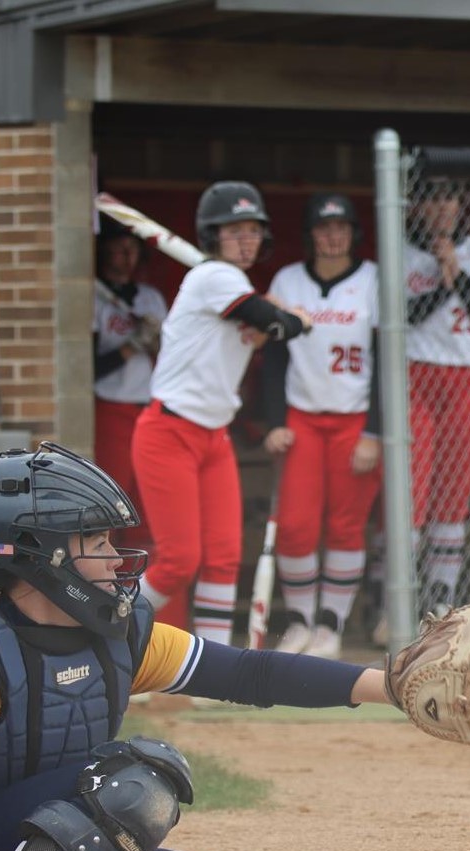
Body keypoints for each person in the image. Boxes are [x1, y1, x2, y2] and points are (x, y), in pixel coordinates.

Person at [0, 444, 439, 851]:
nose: (117, 558)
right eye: (98, 543)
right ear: (41, 556)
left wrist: (392, 686)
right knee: (129, 780)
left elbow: (248, 674)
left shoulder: (118, 642)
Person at [133, 181, 311, 644]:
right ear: (212, 236)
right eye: (235, 230)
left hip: (213, 436)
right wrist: (292, 318)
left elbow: (260, 320)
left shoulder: (232, 285)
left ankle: (211, 667)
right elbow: (278, 324)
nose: (246, 239)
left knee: (224, 556)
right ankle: (109, 631)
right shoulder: (213, 277)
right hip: (169, 431)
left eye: (253, 230)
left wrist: (271, 318)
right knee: (178, 560)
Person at [259, 193, 383, 660]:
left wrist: (374, 430)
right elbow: (272, 356)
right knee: (295, 525)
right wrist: (273, 420)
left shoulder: (372, 280)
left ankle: (331, 625)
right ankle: (300, 621)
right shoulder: (289, 281)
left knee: (347, 526)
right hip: (303, 417)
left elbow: (388, 361)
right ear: (311, 235)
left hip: (354, 417)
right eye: (324, 229)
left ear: (354, 233)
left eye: (342, 228)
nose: (333, 238)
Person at [403, 183, 470, 617]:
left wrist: (457, 273)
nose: (442, 207)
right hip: (416, 375)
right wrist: (446, 283)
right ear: (416, 206)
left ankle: (440, 602)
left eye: (448, 199)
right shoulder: (402, 252)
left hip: (469, 378)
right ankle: (401, 600)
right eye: (432, 199)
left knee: (453, 493)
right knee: (412, 494)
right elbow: (402, 316)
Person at [91, 218, 167, 558]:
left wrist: (153, 343)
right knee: (111, 502)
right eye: (118, 250)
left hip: (149, 408)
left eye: (131, 251)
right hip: (111, 409)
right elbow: (88, 366)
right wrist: (129, 346)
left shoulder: (150, 298)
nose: (124, 257)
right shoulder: (95, 295)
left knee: (151, 505)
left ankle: (146, 589)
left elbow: (170, 360)